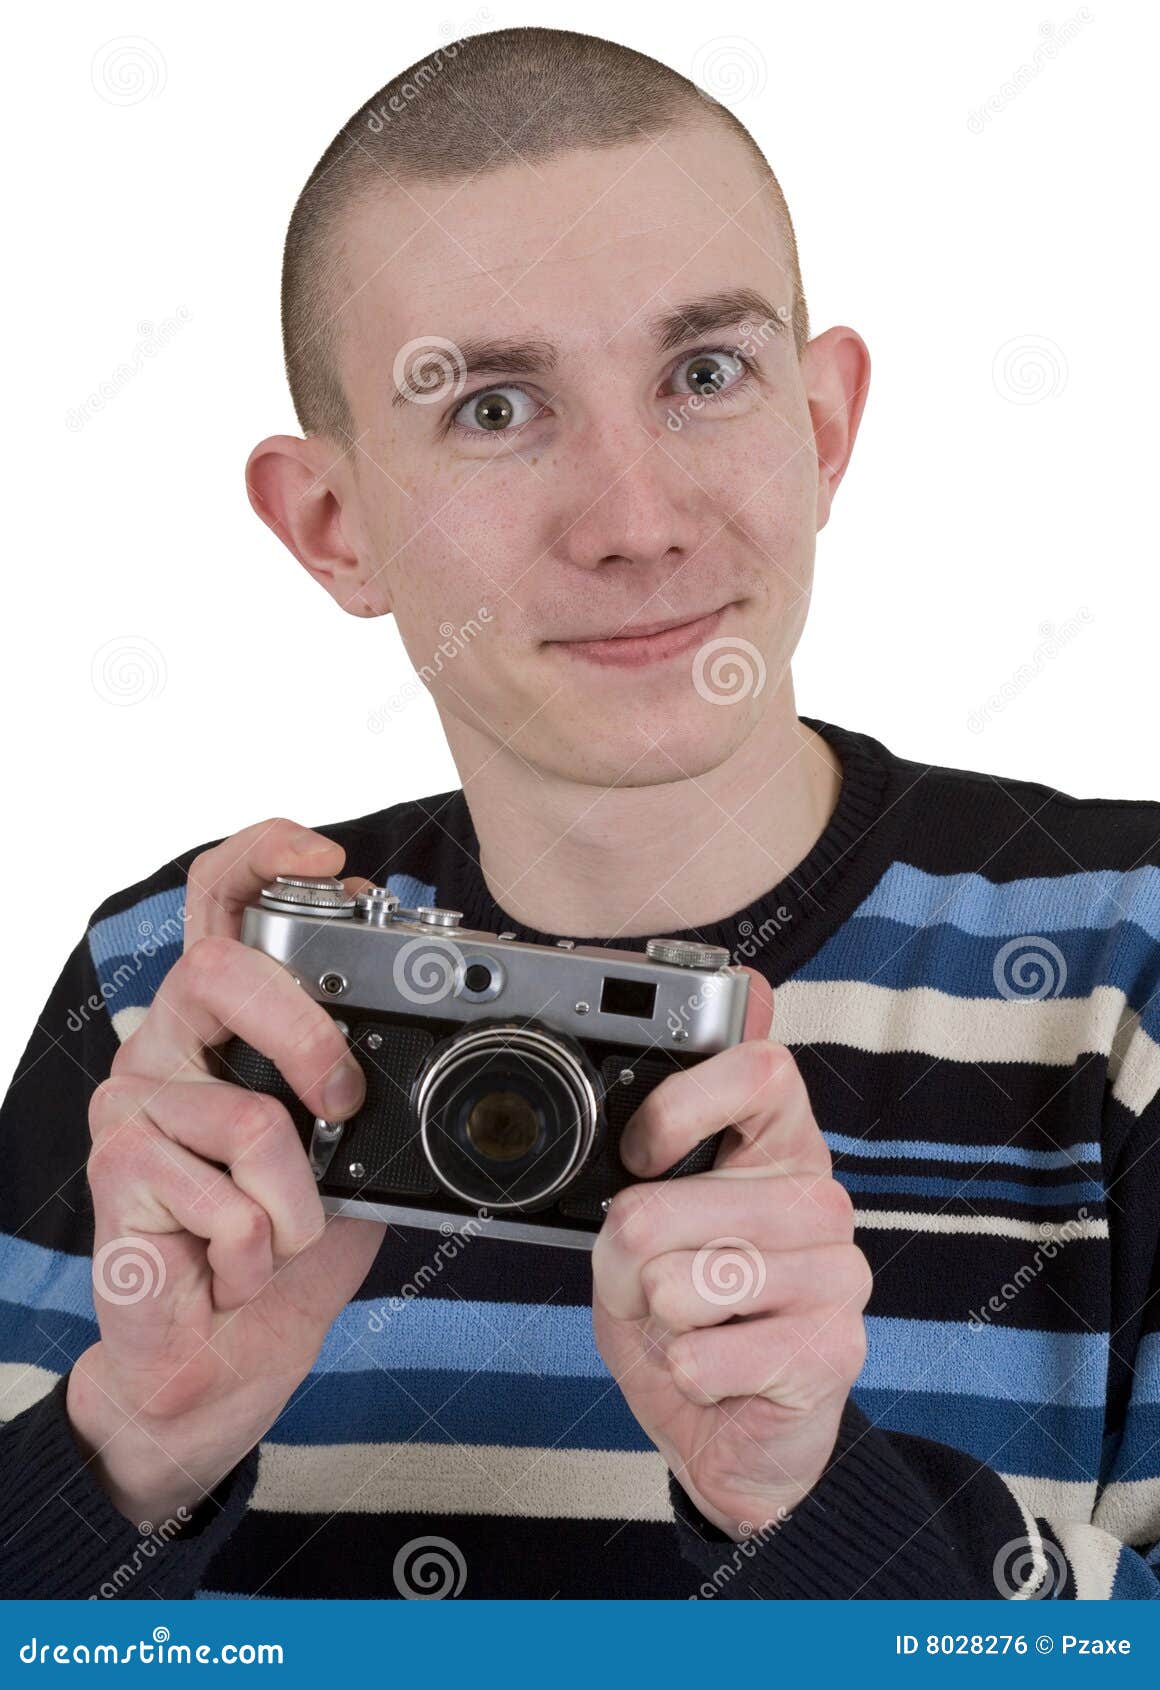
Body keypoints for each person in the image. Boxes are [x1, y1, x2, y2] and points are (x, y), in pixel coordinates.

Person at [1, 25, 1157, 1602]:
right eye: (491, 407)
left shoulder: (1128, 969)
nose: (635, 521)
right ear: (332, 526)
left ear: (821, 428)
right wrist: (128, 1444)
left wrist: (807, 1495)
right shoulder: (172, 999)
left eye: (703, 373)